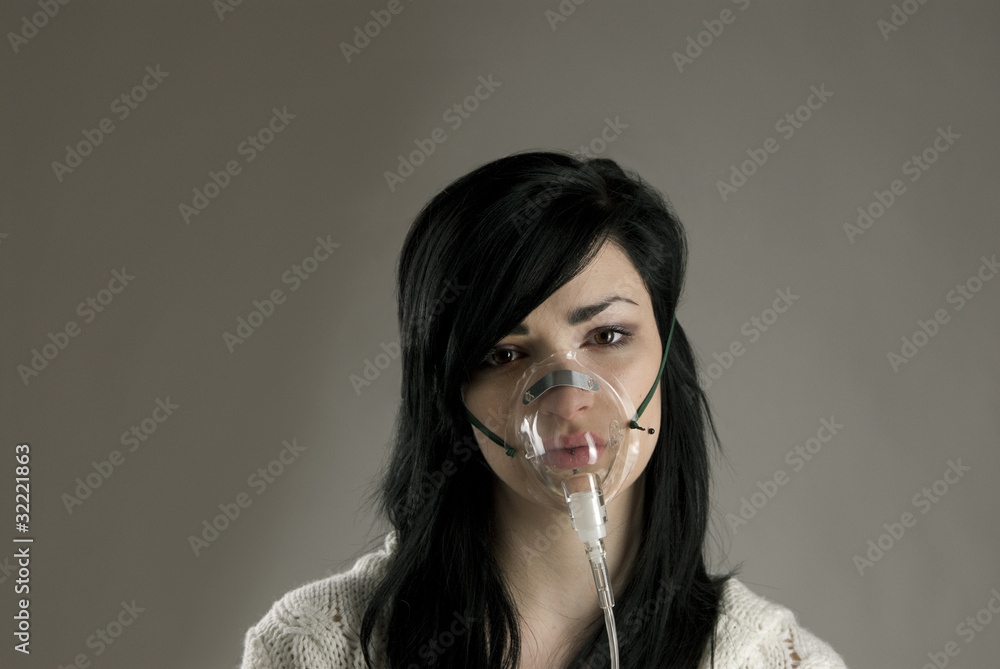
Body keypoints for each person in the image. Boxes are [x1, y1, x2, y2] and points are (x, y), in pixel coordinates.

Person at [239, 151, 848, 668]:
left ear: (668, 354)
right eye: (505, 353)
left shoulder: (775, 659)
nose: (567, 396)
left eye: (607, 337)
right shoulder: (324, 648)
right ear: (451, 397)